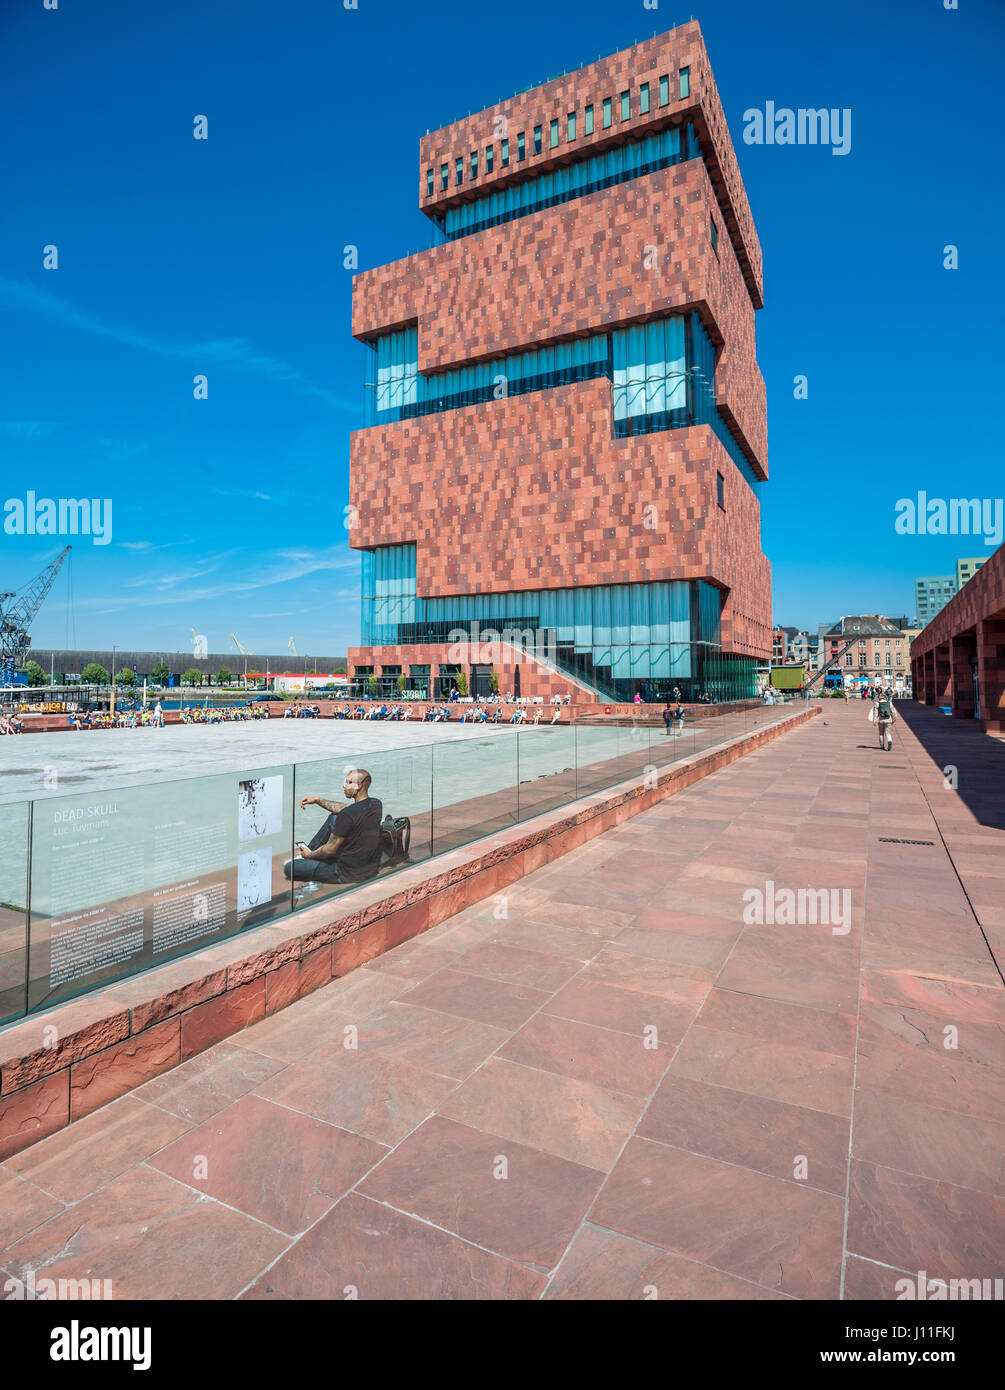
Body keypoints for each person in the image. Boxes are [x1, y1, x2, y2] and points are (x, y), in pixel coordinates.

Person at [285, 768, 383, 889]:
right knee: (334, 817)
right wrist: (317, 800)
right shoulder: (375, 804)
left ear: (358, 786)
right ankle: (309, 851)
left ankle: (308, 855)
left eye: (348, 782)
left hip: (345, 873)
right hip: (368, 867)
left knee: (289, 867)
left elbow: (329, 850)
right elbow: (344, 809)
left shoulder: (347, 815)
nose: (344, 785)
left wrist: (310, 856)